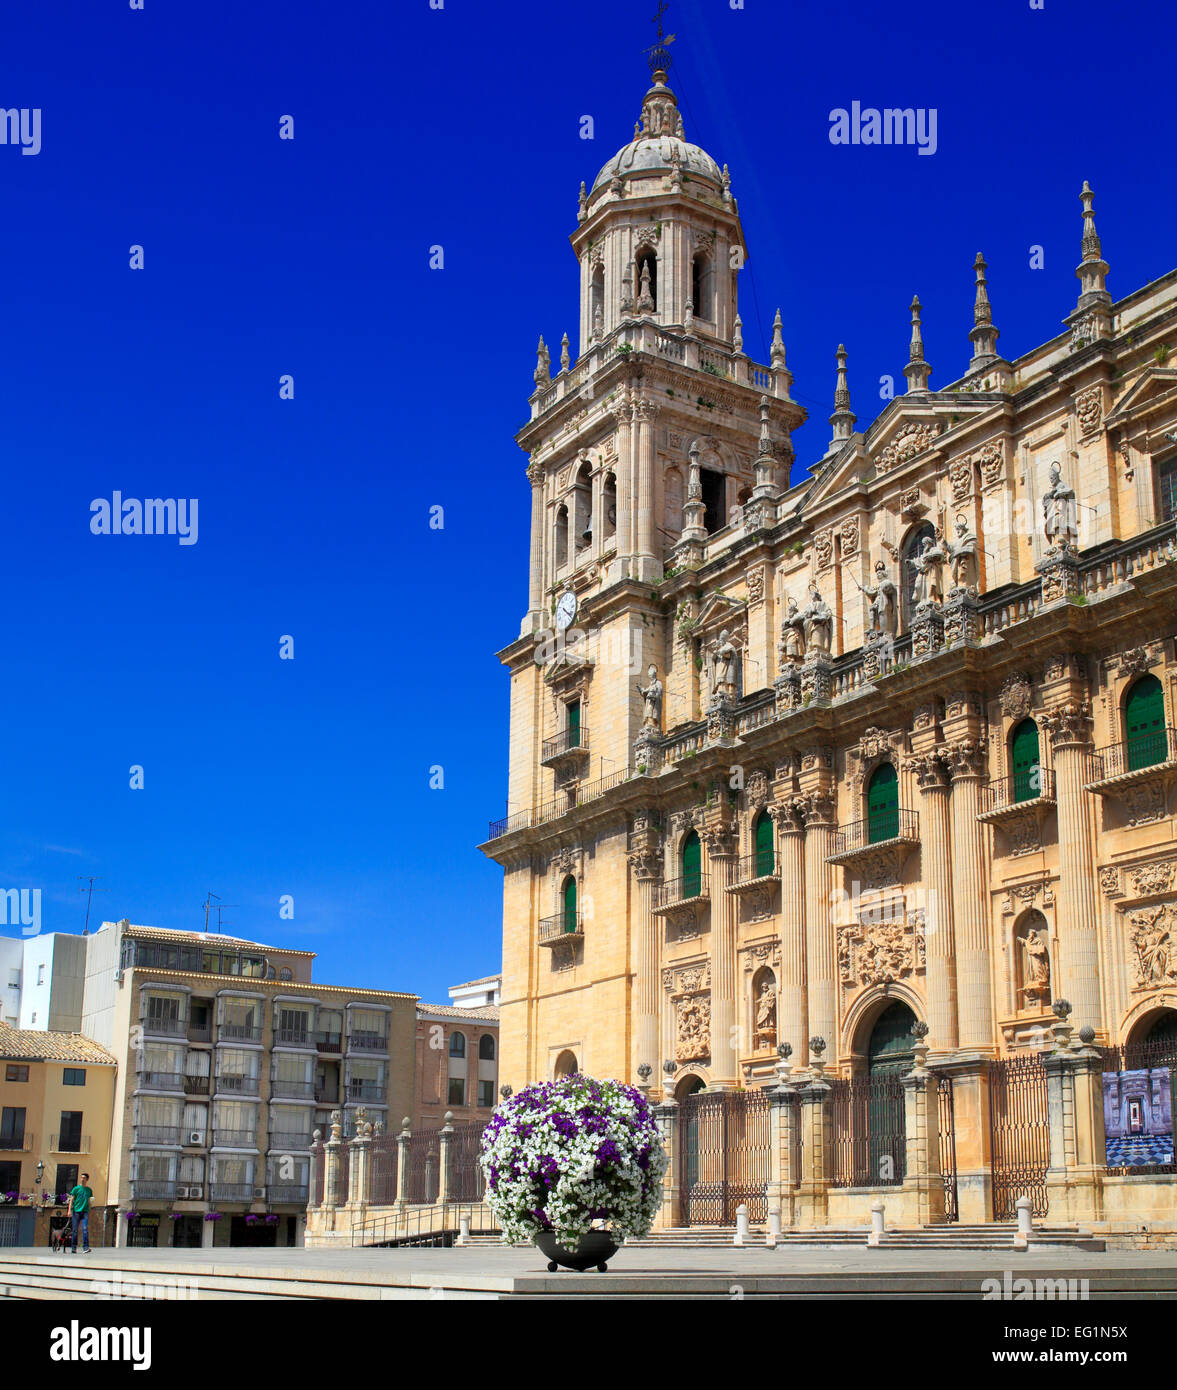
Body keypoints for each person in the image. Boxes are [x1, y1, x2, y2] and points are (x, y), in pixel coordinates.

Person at [69, 1172, 93, 1253]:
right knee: (75, 1230)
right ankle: (73, 1247)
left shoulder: (89, 1190)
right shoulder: (76, 1189)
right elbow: (71, 1200)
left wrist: (90, 1209)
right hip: (76, 1211)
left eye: (84, 1178)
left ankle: (86, 1247)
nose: (82, 1179)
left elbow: (89, 1201)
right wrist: (69, 1210)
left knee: (85, 1229)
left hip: (85, 1212)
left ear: (87, 1179)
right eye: (81, 1177)